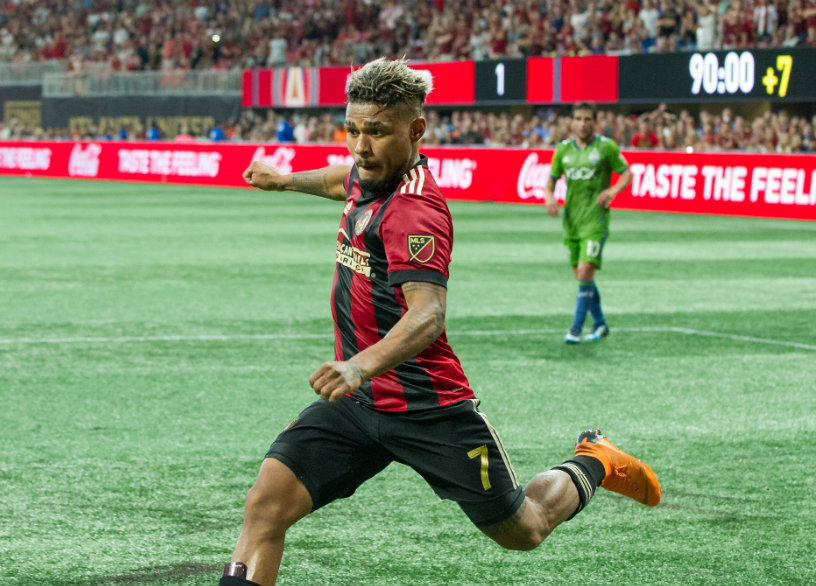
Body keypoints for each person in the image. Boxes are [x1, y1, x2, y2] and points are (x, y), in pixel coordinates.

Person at [227, 58, 660, 586]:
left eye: (377, 132)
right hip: (357, 405)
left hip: (426, 406)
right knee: (265, 508)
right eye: (353, 130)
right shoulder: (369, 174)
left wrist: (358, 366)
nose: (361, 147)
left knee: (523, 528)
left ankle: (595, 459)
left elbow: (428, 314)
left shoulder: (415, 211)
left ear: (415, 131)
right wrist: (283, 181)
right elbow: (343, 179)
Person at [544, 102, 632, 344]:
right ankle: (601, 323)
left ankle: (576, 328)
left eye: (588, 119)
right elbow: (551, 180)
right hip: (571, 221)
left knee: (584, 271)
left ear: (595, 122)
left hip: (596, 220)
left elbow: (626, 173)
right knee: (583, 277)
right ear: (572, 122)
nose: (584, 123)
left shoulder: (606, 147)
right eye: (579, 119)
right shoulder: (562, 150)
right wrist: (550, 197)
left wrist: (613, 190)